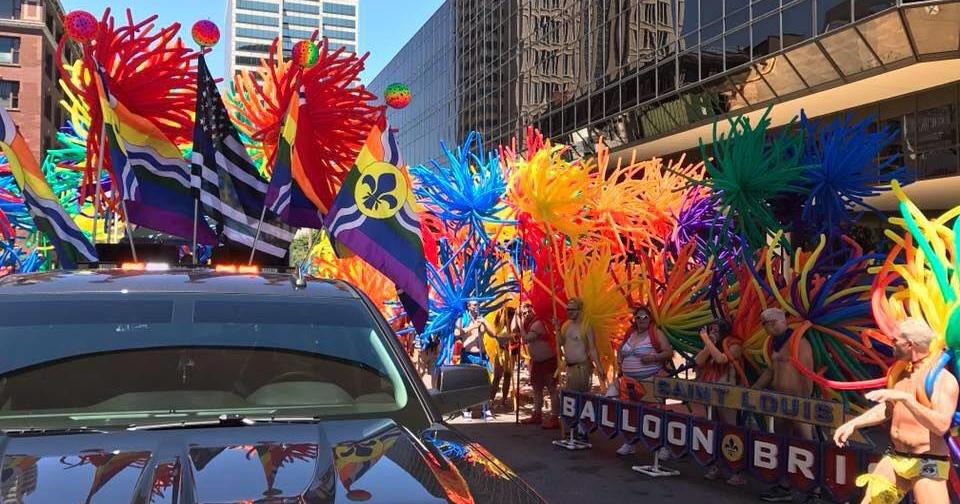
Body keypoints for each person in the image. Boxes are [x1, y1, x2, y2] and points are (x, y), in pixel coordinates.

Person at [834, 318, 958, 504]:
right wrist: (854, 423)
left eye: (895, 341)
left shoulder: (942, 379)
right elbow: (889, 408)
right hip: (896, 457)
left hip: (927, 462)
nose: (891, 344)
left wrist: (907, 399)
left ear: (910, 344)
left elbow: (941, 425)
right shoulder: (902, 374)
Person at [753, 307, 815, 502]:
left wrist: (803, 402)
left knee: (807, 445)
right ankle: (784, 486)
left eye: (766, 324)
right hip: (780, 402)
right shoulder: (776, 344)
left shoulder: (798, 342)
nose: (766, 329)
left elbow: (808, 373)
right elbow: (771, 371)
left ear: (772, 322)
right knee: (782, 443)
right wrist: (753, 390)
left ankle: (814, 491)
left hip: (797, 402)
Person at [615, 304, 674, 456]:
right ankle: (630, 443)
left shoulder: (655, 333)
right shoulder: (631, 333)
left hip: (650, 380)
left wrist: (653, 357)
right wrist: (619, 358)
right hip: (629, 382)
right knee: (630, 412)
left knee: (655, 413)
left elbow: (668, 352)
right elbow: (621, 348)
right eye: (638, 317)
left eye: (645, 317)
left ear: (650, 319)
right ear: (634, 319)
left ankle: (663, 447)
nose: (641, 319)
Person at [696, 319, 747, 486]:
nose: (713, 332)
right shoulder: (711, 345)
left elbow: (721, 359)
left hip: (728, 394)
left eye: (717, 330)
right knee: (714, 429)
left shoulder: (735, 345)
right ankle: (715, 466)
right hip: (710, 393)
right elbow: (698, 361)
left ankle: (737, 471)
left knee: (731, 430)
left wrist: (706, 339)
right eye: (711, 329)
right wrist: (708, 343)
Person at [560, 298, 608, 441]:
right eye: (567, 309)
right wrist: (556, 329)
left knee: (579, 398)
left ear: (580, 310)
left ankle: (582, 430)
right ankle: (575, 428)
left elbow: (593, 349)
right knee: (571, 399)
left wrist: (599, 367)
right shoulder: (566, 325)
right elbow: (561, 343)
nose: (569, 312)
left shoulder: (586, 326)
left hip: (582, 367)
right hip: (570, 368)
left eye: (572, 309)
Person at [516, 302, 560, 429]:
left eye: (529, 311)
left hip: (548, 361)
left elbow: (526, 339)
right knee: (537, 389)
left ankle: (554, 417)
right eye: (524, 313)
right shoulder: (530, 323)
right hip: (537, 362)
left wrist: (520, 323)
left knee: (552, 389)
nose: (527, 314)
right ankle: (537, 414)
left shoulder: (538, 323)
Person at [455, 300, 495, 420]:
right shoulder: (462, 319)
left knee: (485, 384)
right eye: (474, 304)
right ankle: (466, 409)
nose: (477, 306)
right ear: (468, 306)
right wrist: (472, 327)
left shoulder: (481, 318)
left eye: (478, 304)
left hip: (482, 355)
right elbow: (457, 333)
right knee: (468, 384)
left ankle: (486, 409)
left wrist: (484, 322)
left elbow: (493, 334)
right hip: (468, 355)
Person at [490, 306, 518, 409]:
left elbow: (517, 337)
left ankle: (504, 400)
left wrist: (512, 337)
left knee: (507, 376)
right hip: (501, 353)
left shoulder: (516, 326)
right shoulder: (500, 326)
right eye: (509, 316)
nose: (509, 319)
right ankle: (491, 399)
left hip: (512, 354)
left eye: (511, 316)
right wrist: (508, 336)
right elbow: (497, 336)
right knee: (497, 377)